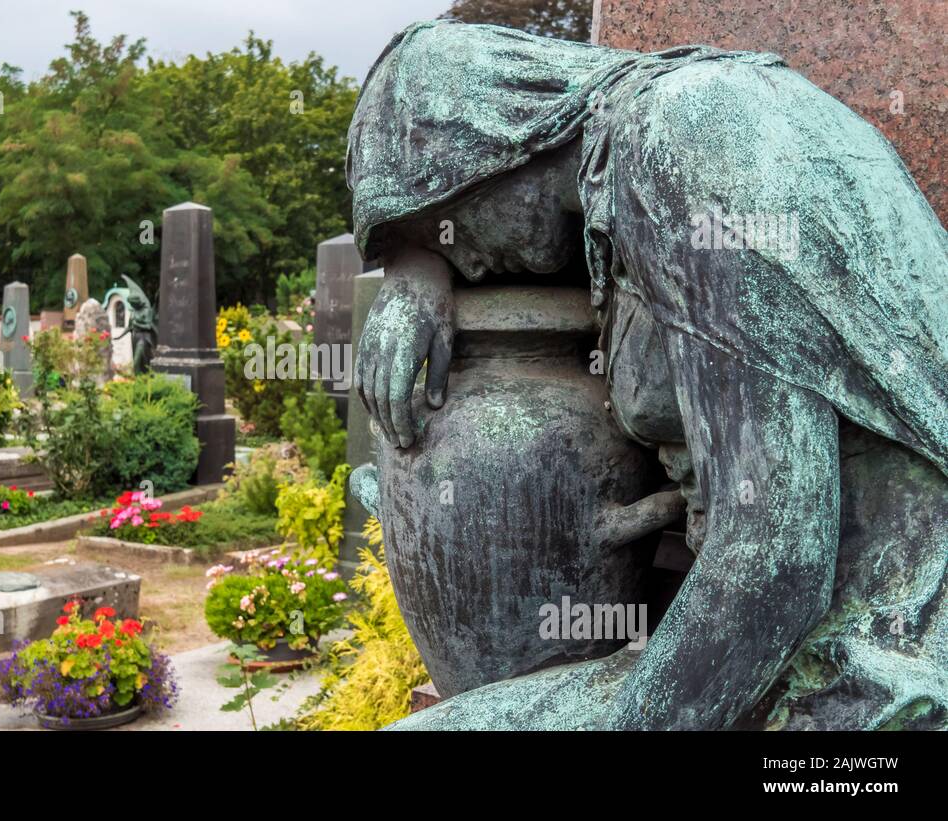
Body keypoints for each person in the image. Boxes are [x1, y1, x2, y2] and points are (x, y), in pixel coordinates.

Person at [350, 20, 948, 730]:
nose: (470, 262)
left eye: (442, 221)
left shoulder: (688, 140)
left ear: (486, 152)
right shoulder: (647, 153)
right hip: (776, 638)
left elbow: (774, 565)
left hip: (875, 650)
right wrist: (417, 272)